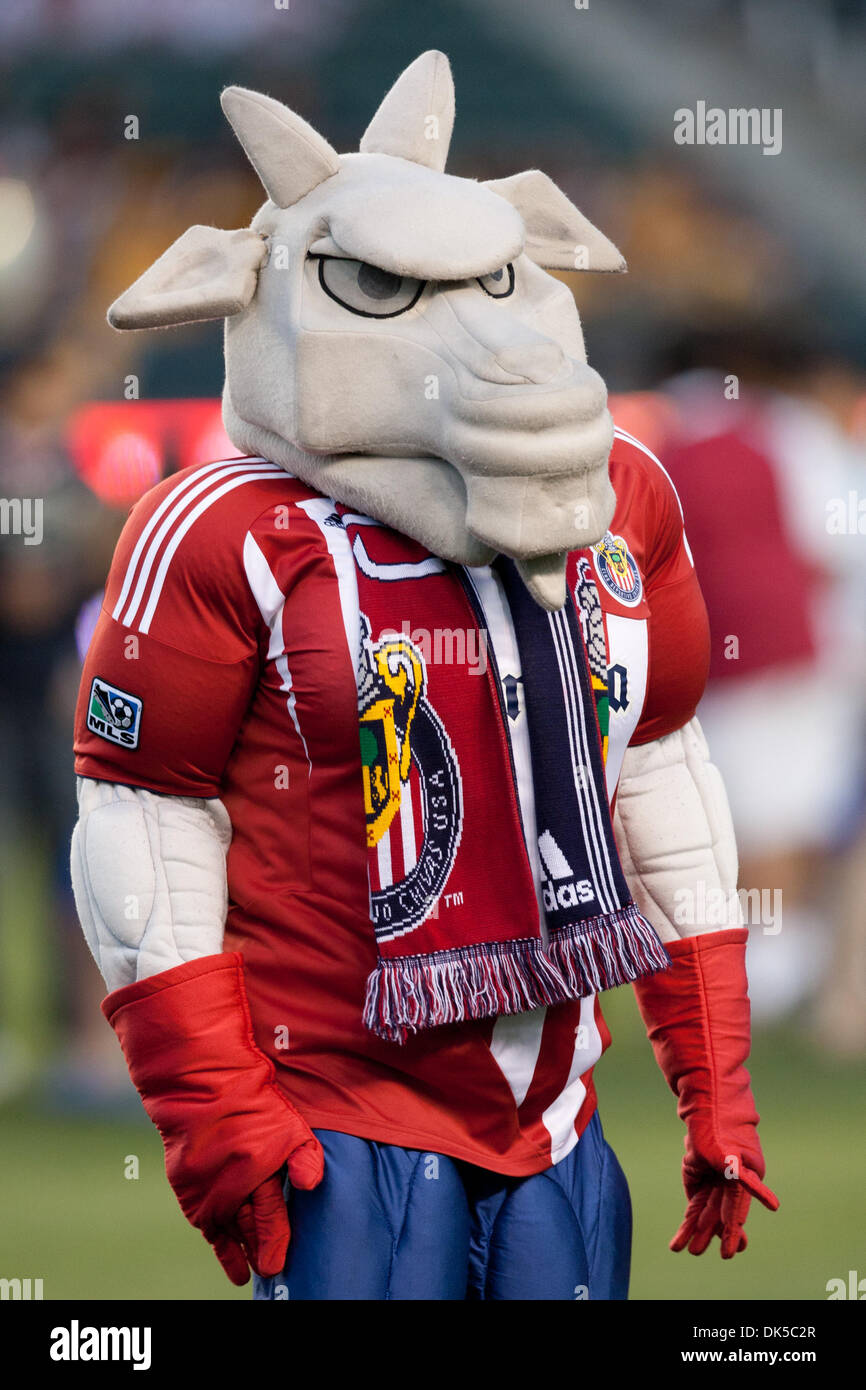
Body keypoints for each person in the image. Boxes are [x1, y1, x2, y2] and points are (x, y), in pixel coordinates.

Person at [70, 52, 776, 1300]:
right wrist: (216, 1114)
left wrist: (711, 1073)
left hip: (553, 1102)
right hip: (332, 1094)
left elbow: (659, 776)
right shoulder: (224, 527)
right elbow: (144, 824)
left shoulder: (620, 495)